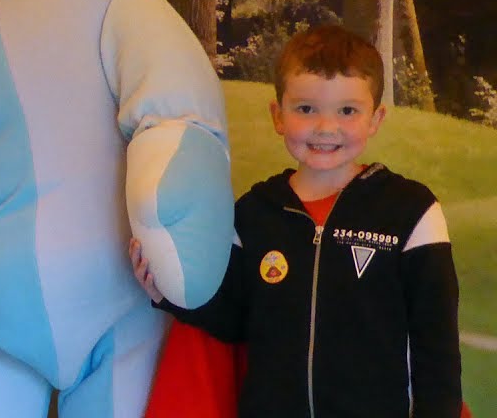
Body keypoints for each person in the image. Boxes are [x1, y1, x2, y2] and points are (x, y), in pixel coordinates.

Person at [131, 24, 462, 417]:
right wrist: (167, 294)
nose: (326, 127)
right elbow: (233, 321)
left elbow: (436, 349)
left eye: (348, 111)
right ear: (278, 116)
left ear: (375, 118)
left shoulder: (413, 211)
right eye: (306, 109)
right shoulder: (254, 211)